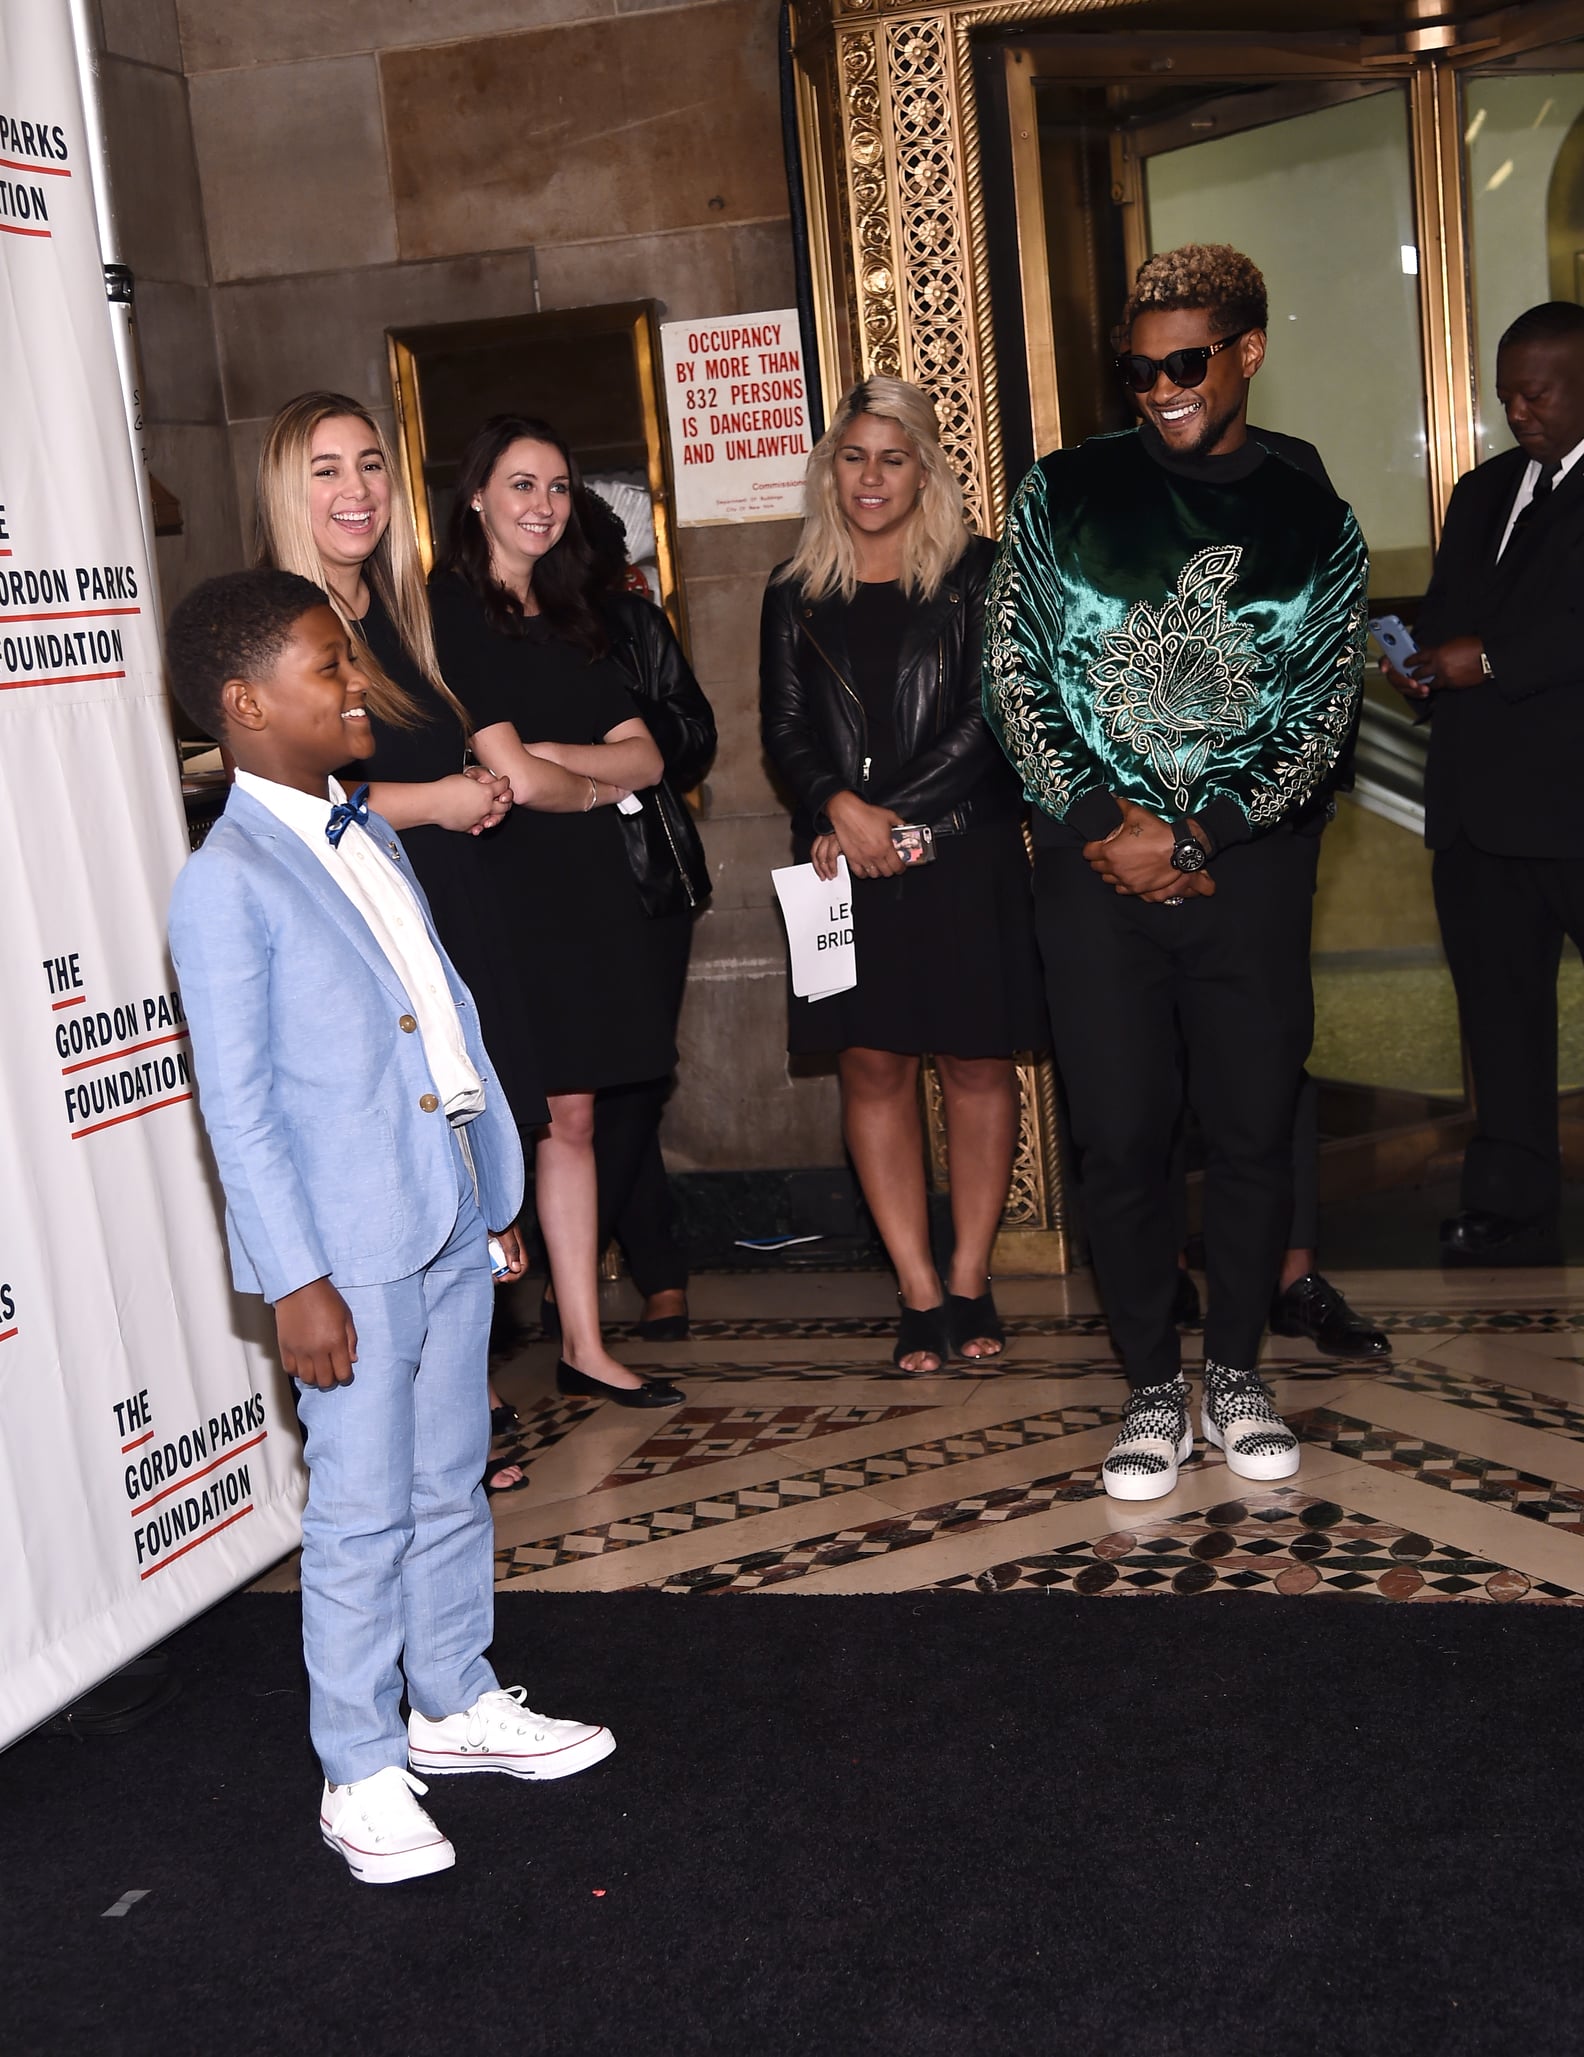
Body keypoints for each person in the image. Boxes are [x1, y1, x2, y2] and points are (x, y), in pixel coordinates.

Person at [166, 568, 614, 1886]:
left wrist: (486, 1196)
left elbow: (437, 1019)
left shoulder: (362, 829)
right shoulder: (225, 881)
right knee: (360, 1507)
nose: (354, 681)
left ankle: (452, 1698)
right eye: (325, 665)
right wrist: (296, 1280)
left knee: (449, 1473)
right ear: (248, 706)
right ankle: (357, 1764)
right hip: (346, 1254)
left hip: (440, 1214)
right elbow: (239, 1113)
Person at [984, 243, 1368, 1500]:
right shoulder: (1060, 493)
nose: (1161, 387)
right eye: (1140, 368)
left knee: (1255, 1125)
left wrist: (1200, 835)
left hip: (1243, 871)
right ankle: (1155, 1380)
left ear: (1247, 353)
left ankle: (1242, 1369)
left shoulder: (1316, 521)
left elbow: (1318, 719)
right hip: (1089, 867)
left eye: (1186, 363)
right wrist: (1107, 820)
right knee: (1121, 1133)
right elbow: (1015, 673)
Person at [253, 390, 598, 1486]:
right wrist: (438, 800)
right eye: (325, 471)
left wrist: (473, 792)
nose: (354, 490)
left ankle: (461, 1417)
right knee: (393, 1169)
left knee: (467, 1168)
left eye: (368, 466)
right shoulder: (282, 624)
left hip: (447, 907)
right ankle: (408, 1436)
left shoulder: (403, 611)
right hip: (359, 932)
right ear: (285, 491)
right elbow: (298, 797)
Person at [761, 376, 1047, 1372]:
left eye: (893, 457)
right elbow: (786, 729)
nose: (871, 477)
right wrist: (841, 808)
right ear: (828, 465)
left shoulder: (984, 574)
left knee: (974, 1063)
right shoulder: (793, 588)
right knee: (870, 1064)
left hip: (960, 853)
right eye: (853, 456)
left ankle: (970, 1276)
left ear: (925, 467)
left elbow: (992, 717)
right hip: (842, 863)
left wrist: (894, 813)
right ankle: (918, 1290)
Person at [430, 414, 685, 1408]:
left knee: (574, 1114)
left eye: (559, 487)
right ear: (478, 495)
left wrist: (556, 763)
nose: (542, 504)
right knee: (489, 1115)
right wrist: (575, 772)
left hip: (583, 886)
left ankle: (583, 1340)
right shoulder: (447, 609)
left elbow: (650, 757)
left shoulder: (579, 612)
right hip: (495, 887)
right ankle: (469, 1363)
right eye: (522, 484)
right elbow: (513, 780)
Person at [1382, 300, 1584, 1268]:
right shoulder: (1481, 489)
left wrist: (1491, 660)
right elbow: (1451, 616)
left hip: (1573, 804)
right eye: (1507, 392)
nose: (1518, 410)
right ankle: (1510, 1199)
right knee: (1498, 1019)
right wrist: (1421, 663)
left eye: (1537, 392)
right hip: (1476, 810)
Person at [536, 485, 716, 1343]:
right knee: (579, 1083)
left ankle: (634, 1264)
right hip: (545, 884)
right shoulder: (501, 635)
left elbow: (693, 736)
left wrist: (605, 754)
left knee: (638, 1075)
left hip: (648, 876)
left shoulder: (632, 627)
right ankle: (653, 1262)